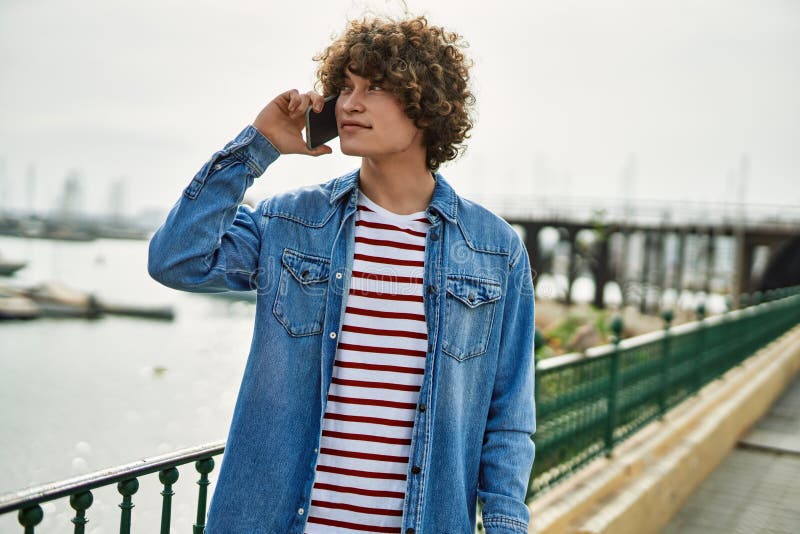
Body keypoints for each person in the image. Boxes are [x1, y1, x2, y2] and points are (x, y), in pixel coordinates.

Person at [148, 14, 536, 534]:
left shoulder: (494, 250)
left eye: (374, 87)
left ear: (428, 104)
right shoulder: (289, 222)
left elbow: (508, 419)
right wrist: (257, 146)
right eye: (345, 87)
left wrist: (507, 525)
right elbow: (177, 259)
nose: (349, 103)